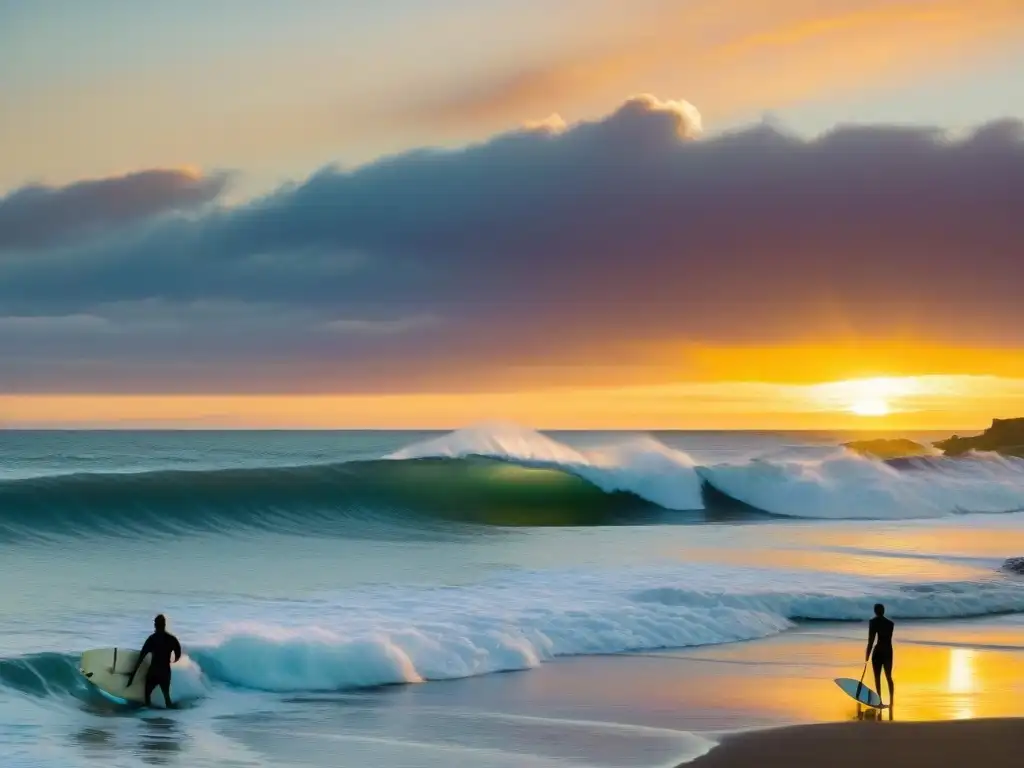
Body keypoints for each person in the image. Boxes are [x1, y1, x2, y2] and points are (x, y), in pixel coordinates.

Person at [125, 614, 182, 708]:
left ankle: (149, 714)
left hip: (154, 672)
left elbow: (141, 658)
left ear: (155, 625)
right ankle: (172, 715)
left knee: (147, 696)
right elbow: (178, 654)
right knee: (167, 698)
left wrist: (132, 676)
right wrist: (173, 659)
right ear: (164, 624)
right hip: (165, 673)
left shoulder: (152, 639)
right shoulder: (172, 639)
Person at [865, 603, 894, 708]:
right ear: (883, 611)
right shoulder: (890, 624)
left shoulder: (873, 622)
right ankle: (892, 702)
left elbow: (871, 641)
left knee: (877, 677)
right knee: (889, 677)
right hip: (888, 651)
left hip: (878, 652)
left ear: (875, 611)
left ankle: (880, 701)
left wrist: (867, 655)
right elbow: (887, 639)